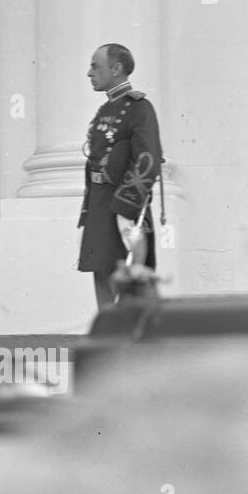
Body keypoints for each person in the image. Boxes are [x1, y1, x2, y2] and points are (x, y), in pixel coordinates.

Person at [78, 43, 163, 307]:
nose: (89, 73)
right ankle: (107, 325)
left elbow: (148, 158)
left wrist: (127, 205)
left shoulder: (139, 108)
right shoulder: (105, 110)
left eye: (95, 66)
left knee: (133, 273)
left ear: (116, 69)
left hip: (123, 202)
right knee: (100, 266)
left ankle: (134, 327)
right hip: (100, 201)